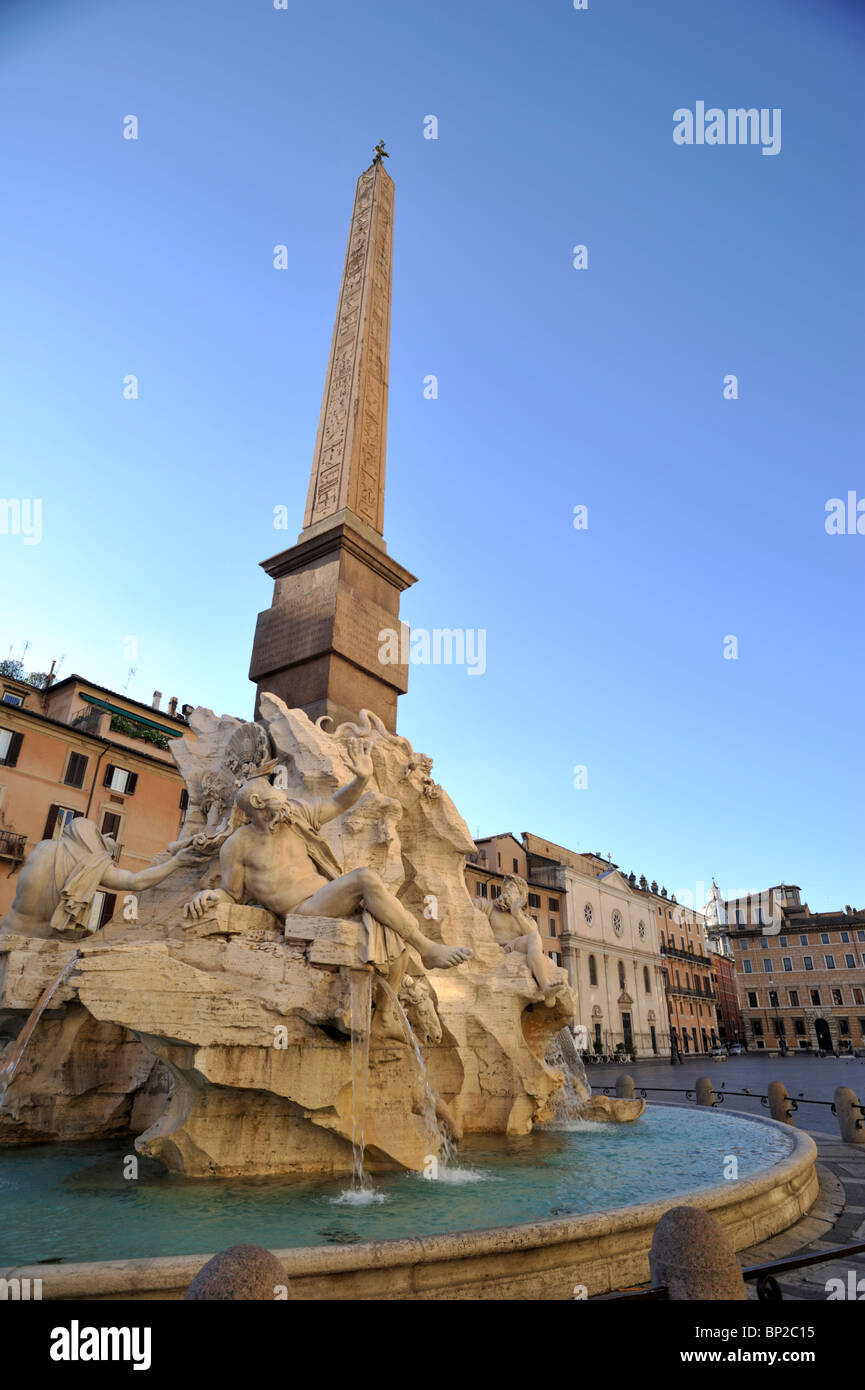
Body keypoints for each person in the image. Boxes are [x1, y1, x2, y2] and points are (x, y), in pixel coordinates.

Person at [185, 737, 472, 975]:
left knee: (389, 921)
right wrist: (209, 896)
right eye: (272, 790)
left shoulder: (295, 815)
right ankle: (427, 949)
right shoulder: (237, 845)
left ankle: (385, 1015)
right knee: (365, 879)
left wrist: (362, 779)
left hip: (328, 899)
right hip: (300, 912)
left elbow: (337, 803)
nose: (280, 793)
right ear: (259, 803)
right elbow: (231, 893)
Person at [0, 816, 199, 941]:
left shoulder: (43, 847)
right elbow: (135, 881)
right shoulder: (90, 864)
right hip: (41, 940)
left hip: (7, 932)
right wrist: (177, 862)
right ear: (92, 840)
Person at [480, 874, 567, 1006]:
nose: (506, 890)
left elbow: (534, 939)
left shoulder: (527, 920)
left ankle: (546, 988)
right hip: (496, 951)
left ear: (521, 896)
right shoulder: (489, 907)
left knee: (534, 937)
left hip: (515, 949)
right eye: (506, 887)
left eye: (511, 887)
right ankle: (546, 986)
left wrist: (517, 914)